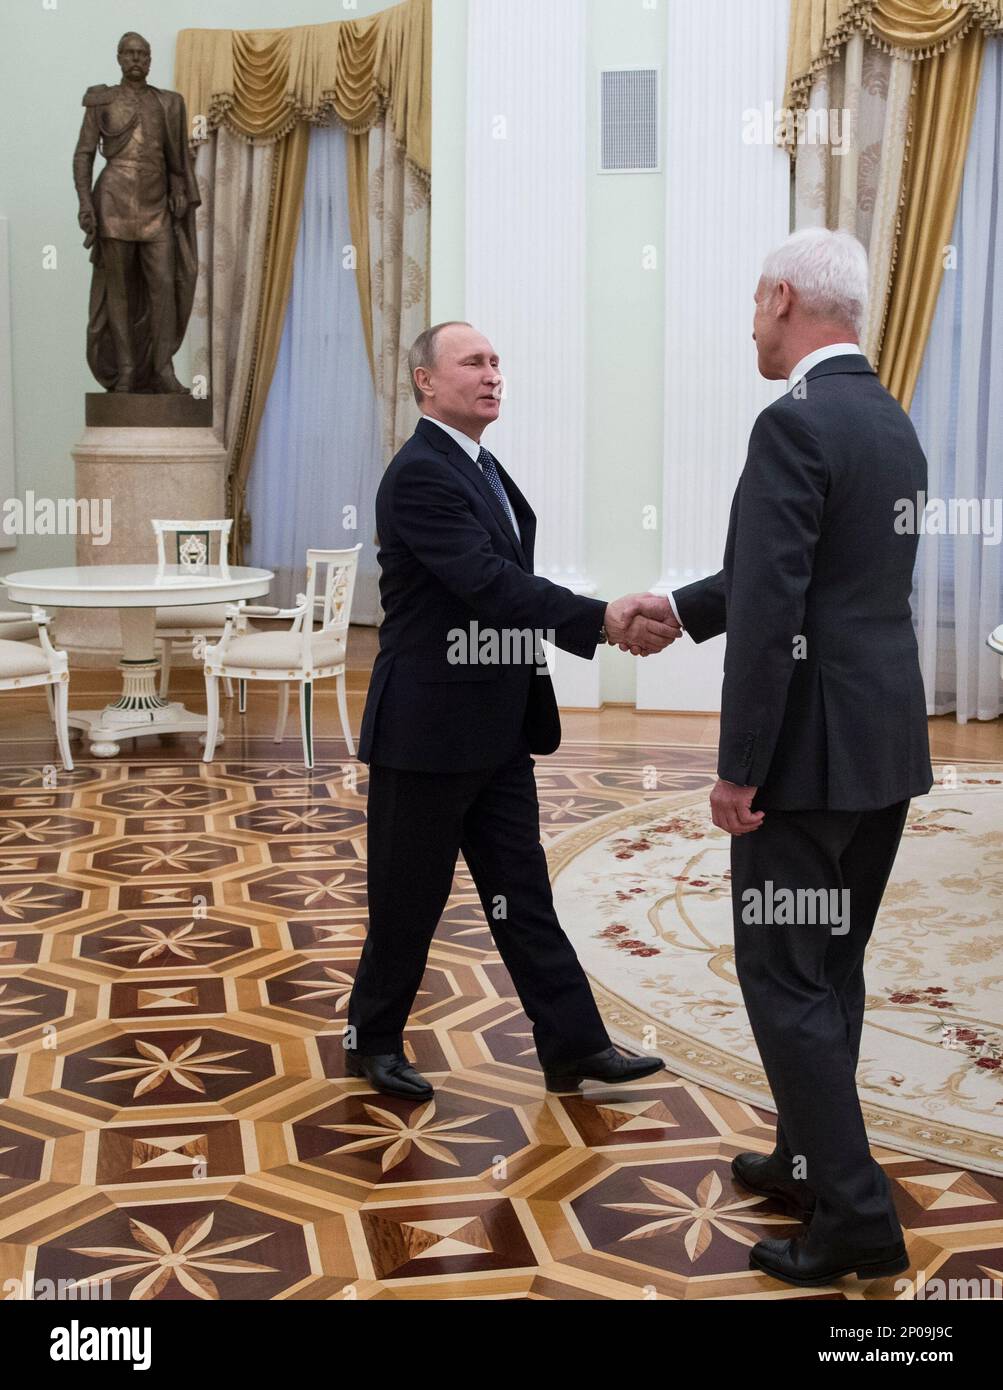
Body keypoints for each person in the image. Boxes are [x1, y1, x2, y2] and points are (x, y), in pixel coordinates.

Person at [665, 229, 932, 1287]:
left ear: (781, 296)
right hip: (879, 750)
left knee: (783, 979)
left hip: (806, 763)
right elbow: (794, 578)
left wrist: (739, 768)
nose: (749, 323)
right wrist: (679, 609)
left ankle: (855, 1217)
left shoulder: (791, 424)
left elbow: (775, 607)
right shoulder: (888, 419)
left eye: (753, 302)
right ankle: (809, 1156)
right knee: (830, 967)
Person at [348, 320, 680, 1100]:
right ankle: (370, 1042)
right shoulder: (421, 474)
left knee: (522, 893)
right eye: (472, 362)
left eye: (497, 361)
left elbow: (500, 585)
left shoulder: (478, 464)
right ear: (426, 381)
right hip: (427, 731)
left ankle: (573, 1046)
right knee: (407, 900)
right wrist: (601, 616)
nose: (492, 374)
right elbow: (488, 583)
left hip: (493, 728)